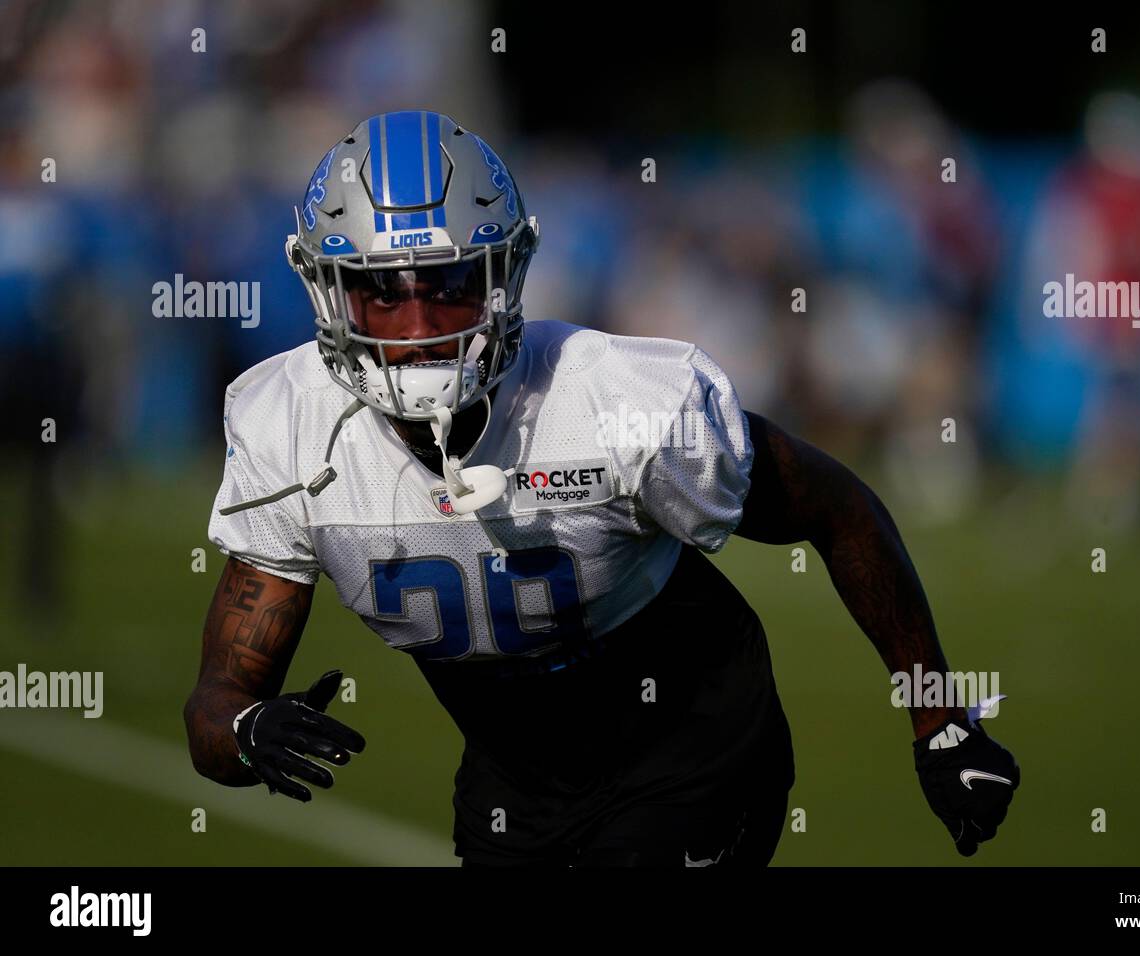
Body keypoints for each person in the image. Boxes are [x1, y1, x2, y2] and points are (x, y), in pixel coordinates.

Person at [182, 111, 1019, 867]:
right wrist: (249, 732)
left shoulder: (620, 403)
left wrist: (938, 719)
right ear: (327, 291)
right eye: (381, 290)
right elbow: (216, 709)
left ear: (503, 275)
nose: (419, 328)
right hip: (515, 787)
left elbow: (840, 511)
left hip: (696, 748)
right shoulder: (289, 427)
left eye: (447, 283)